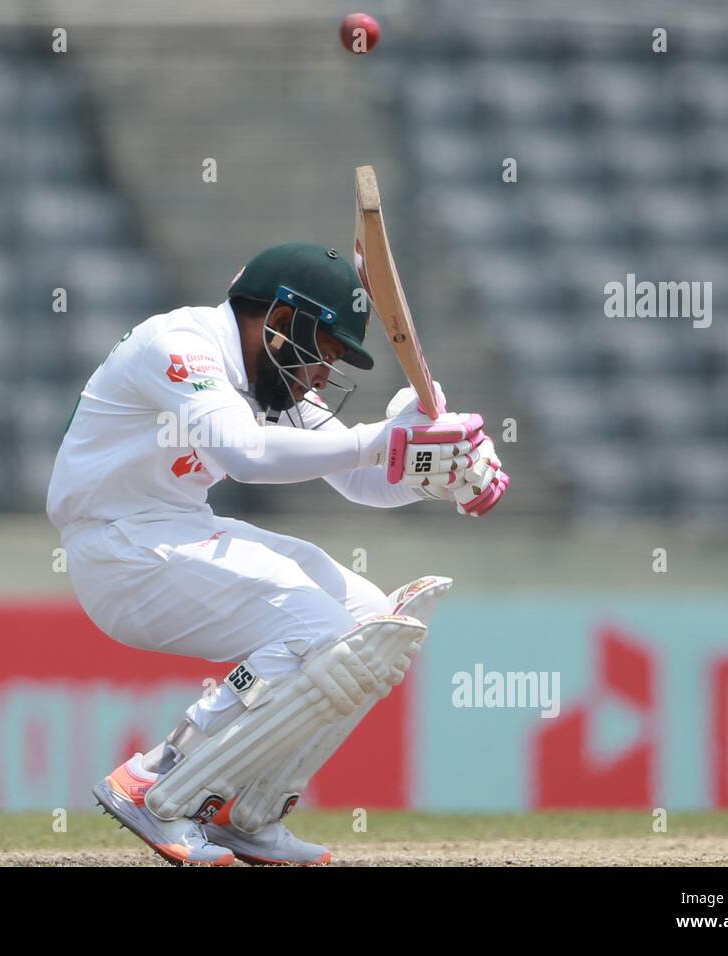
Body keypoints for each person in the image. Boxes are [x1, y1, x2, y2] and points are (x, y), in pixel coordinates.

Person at [46, 242, 508, 865]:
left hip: (174, 528)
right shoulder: (180, 345)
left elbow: (360, 478)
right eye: (326, 353)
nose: (322, 376)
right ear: (284, 321)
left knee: (373, 627)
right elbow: (246, 454)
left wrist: (435, 471)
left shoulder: (274, 369)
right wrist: (383, 440)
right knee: (320, 630)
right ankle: (156, 779)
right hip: (117, 547)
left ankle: (246, 811)